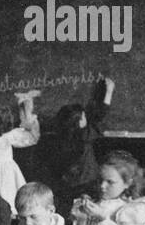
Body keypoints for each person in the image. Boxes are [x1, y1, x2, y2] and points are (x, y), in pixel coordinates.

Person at [41, 76, 114, 206]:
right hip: (88, 185)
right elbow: (100, 117)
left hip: (66, 188)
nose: (87, 117)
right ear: (79, 122)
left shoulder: (57, 139)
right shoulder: (85, 136)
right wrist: (108, 92)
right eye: (84, 116)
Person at [69, 149, 145, 225]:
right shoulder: (93, 204)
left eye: (110, 182)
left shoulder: (132, 209)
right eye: (101, 180)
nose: (102, 186)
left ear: (127, 183)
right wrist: (82, 221)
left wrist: (102, 219)